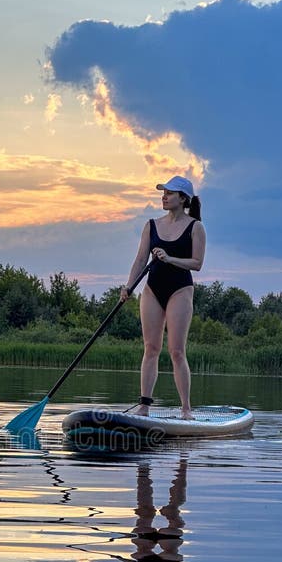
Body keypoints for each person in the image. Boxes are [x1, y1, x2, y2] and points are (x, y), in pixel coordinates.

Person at [119, 175, 206, 419]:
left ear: (183, 198)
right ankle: (144, 406)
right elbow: (140, 260)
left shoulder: (195, 227)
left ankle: (186, 409)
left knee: (176, 351)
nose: (164, 197)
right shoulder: (151, 225)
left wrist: (169, 258)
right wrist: (128, 287)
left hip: (180, 289)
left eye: (169, 193)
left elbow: (197, 263)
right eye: (163, 193)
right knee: (151, 348)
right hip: (152, 289)